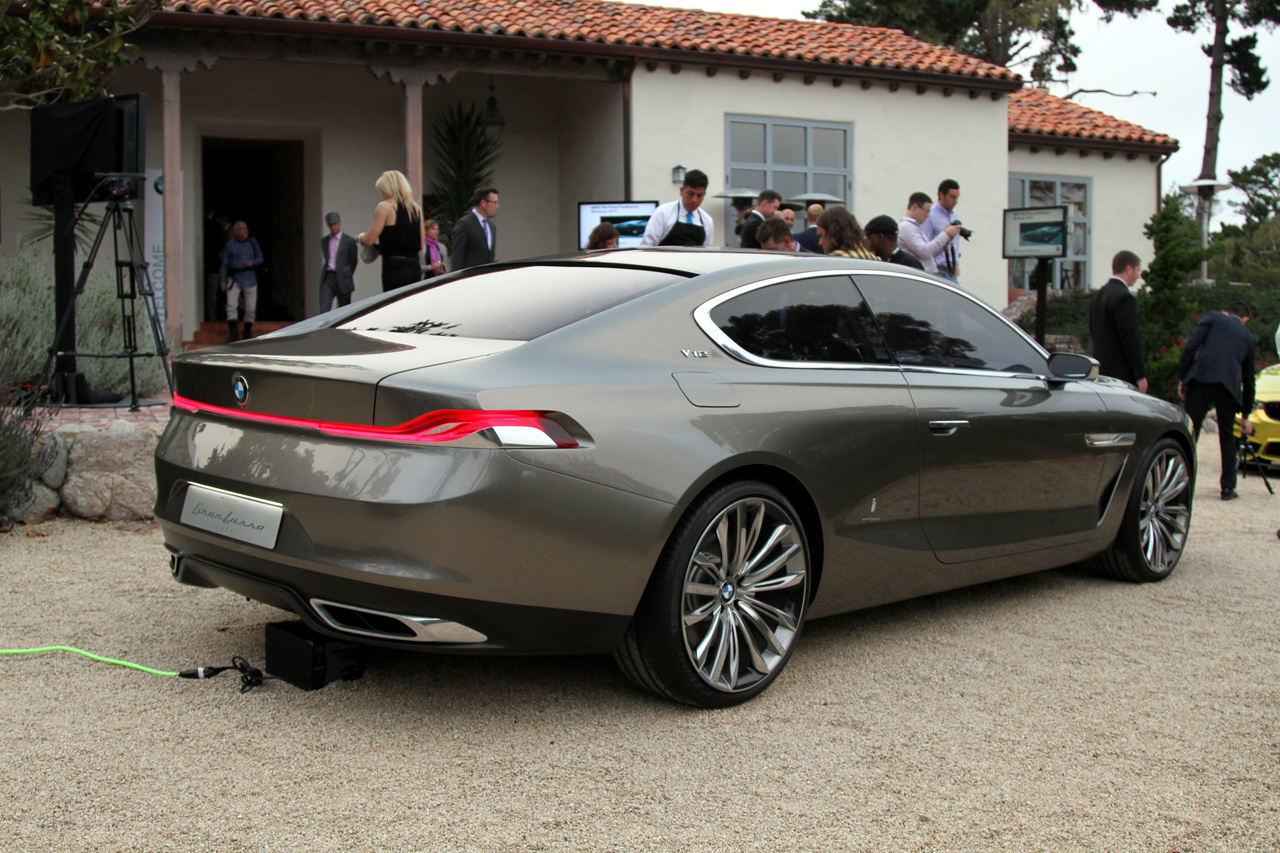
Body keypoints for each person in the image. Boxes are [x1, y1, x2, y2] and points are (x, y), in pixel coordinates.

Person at [1176, 301, 1259, 500]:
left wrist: (1183, 376)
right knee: (1227, 436)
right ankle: (1228, 487)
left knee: (1189, 432)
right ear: (1245, 319)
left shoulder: (1213, 317)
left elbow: (1191, 346)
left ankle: (1179, 483)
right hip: (1228, 386)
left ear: (1226, 312)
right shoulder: (1248, 337)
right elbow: (1249, 380)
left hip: (1201, 378)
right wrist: (1246, 414)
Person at [1088, 250, 1148, 393]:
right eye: (1137, 270)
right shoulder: (1124, 298)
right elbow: (1130, 338)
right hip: (1121, 376)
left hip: (1101, 372)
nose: (1138, 276)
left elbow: (1093, 330)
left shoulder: (1099, 295)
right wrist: (1140, 376)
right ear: (1129, 269)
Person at [359, 170, 425, 292]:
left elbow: (370, 240)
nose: (382, 195)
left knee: (393, 303)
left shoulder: (385, 207)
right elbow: (421, 244)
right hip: (414, 267)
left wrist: (360, 238)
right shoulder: (416, 209)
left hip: (394, 267)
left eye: (383, 191)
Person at [641, 169, 714, 247]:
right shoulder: (663, 213)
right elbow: (647, 247)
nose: (694, 200)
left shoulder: (707, 221)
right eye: (690, 194)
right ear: (681, 191)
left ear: (704, 195)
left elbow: (706, 252)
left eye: (699, 195)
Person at [219, 220, 263, 342]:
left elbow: (260, 258)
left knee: (251, 307)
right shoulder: (230, 245)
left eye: (245, 229)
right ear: (235, 231)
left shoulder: (252, 242)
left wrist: (253, 262)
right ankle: (233, 332)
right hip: (235, 277)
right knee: (231, 305)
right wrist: (222, 280)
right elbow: (225, 263)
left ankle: (247, 331)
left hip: (249, 276)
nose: (244, 232)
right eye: (241, 229)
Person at [898, 191, 960, 274]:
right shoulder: (906, 227)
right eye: (926, 211)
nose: (927, 215)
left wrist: (946, 241)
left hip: (925, 274)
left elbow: (930, 254)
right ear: (915, 207)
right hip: (919, 275)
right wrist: (945, 234)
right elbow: (924, 251)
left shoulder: (915, 227)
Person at [920, 179, 963, 282]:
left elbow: (953, 243)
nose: (955, 201)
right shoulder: (931, 215)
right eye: (952, 197)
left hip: (952, 271)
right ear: (942, 195)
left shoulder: (954, 215)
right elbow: (926, 245)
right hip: (937, 270)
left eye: (957, 198)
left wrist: (956, 262)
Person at [318, 211, 358, 314]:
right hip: (328, 277)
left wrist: (346, 273)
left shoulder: (349, 241)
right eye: (330, 225)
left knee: (344, 311)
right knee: (324, 309)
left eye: (335, 224)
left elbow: (353, 261)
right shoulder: (324, 241)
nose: (333, 227)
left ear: (339, 223)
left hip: (343, 278)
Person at [451, 187, 499, 271]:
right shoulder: (465, 224)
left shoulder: (491, 227)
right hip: (470, 277)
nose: (497, 206)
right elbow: (457, 256)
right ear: (483, 203)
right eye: (494, 202)